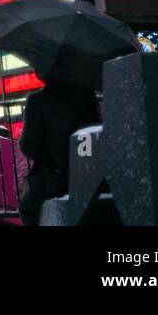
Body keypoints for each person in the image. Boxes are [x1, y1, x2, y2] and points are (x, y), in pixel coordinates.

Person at [18, 78, 100, 226]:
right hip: (90, 181)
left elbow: (29, 148)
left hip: (53, 184)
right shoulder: (87, 98)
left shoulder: (37, 101)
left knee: (28, 207)